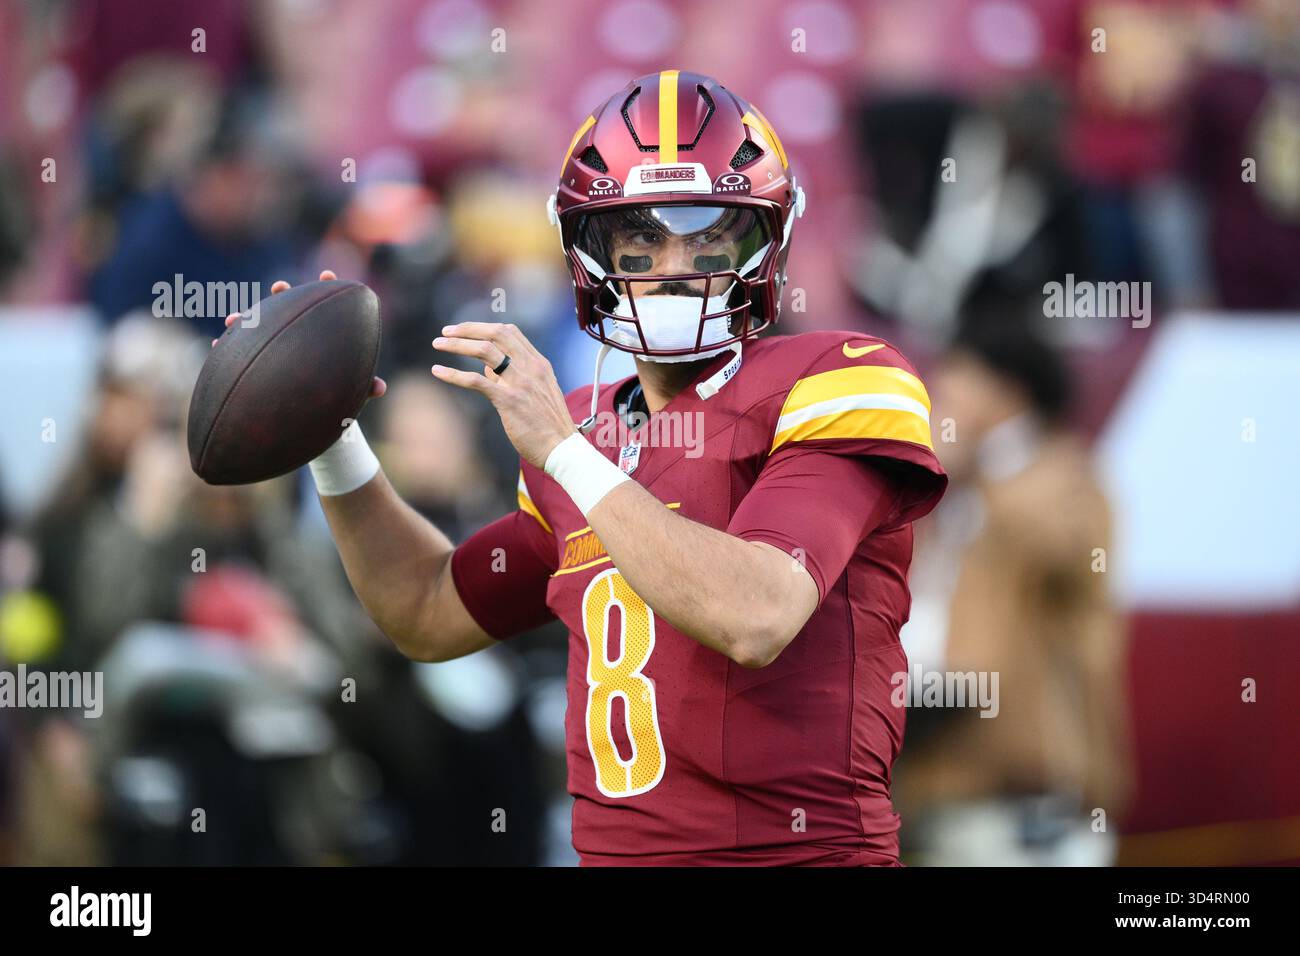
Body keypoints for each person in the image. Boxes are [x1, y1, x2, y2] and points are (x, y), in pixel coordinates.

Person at [233, 72, 947, 865]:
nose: (675, 266)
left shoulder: (842, 377)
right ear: (587, 251)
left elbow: (758, 616)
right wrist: (332, 439)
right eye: (640, 239)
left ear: (767, 240)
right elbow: (425, 609)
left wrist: (569, 455)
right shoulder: (582, 429)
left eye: (710, 235)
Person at [896, 319, 1131, 866]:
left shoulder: (1068, 481)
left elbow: (1057, 544)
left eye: (955, 384)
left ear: (1008, 391)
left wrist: (986, 460)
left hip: (1026, 816)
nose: (937, 403)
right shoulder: (950, 501)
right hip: (938, 803)